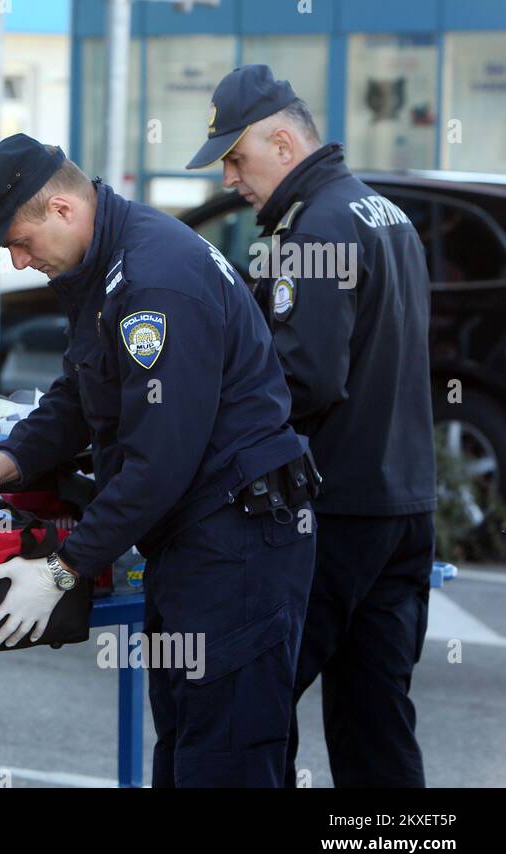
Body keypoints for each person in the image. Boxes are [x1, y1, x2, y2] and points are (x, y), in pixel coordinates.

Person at [0, 133, 318, 787]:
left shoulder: (154, 282)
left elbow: (159, 462)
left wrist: (63, 568)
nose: (17, 263)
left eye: (18, 242)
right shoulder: (107, 266)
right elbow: (78, 395)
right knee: (186, 751)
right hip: (197, 540)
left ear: (62, 211)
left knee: (225, 763)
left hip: (238, 543)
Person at [187, 65, 437, 787]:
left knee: (254, 705)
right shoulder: (383, 214)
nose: (232, 178)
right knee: (376, 717)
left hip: (335, 510)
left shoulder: (316, 229)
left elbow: (305, 380)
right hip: (405, 504)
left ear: (286, 143)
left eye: (238, 157)